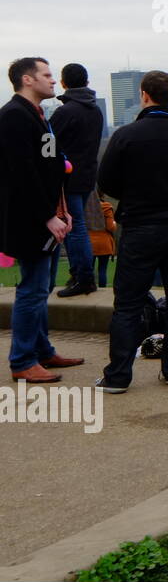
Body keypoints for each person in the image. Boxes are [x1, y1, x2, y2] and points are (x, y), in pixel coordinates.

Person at [96, 71, 168, 392]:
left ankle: (118, 376)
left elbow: (106, 182)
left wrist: (135, 193)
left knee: (128, 303)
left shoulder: (125, 136)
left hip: (140, 227)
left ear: (144, 95)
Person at [1, 57, 81, 382]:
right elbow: (23, 175)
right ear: (27, 80)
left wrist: (63, 209)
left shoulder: (39, 116)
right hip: (28, 220)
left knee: (42, 286)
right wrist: (49, 215)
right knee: (32, 289)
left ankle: (43, 351)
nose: (53, 80)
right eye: (46, 75)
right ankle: (22, 360)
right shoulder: (13, 118)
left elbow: (52, 168)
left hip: (46, 216)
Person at [48, 63, 105, 297]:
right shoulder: (95, 110)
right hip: (88, 176)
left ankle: (83, 278)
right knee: (77, 226)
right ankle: (79, 275)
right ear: (87, 82)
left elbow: (48, 147)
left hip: (69, 179)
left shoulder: (65, 112)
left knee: (75, 228)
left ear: (63, 83)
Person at [87, 193, 117, 289]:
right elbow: (110, 227)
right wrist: (115, 223)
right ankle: (102, 291)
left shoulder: (85, 206)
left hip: (89, 242)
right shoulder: (106, 206)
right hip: (104, 242)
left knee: (89, 270)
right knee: (102, 269)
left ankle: (89, 287)